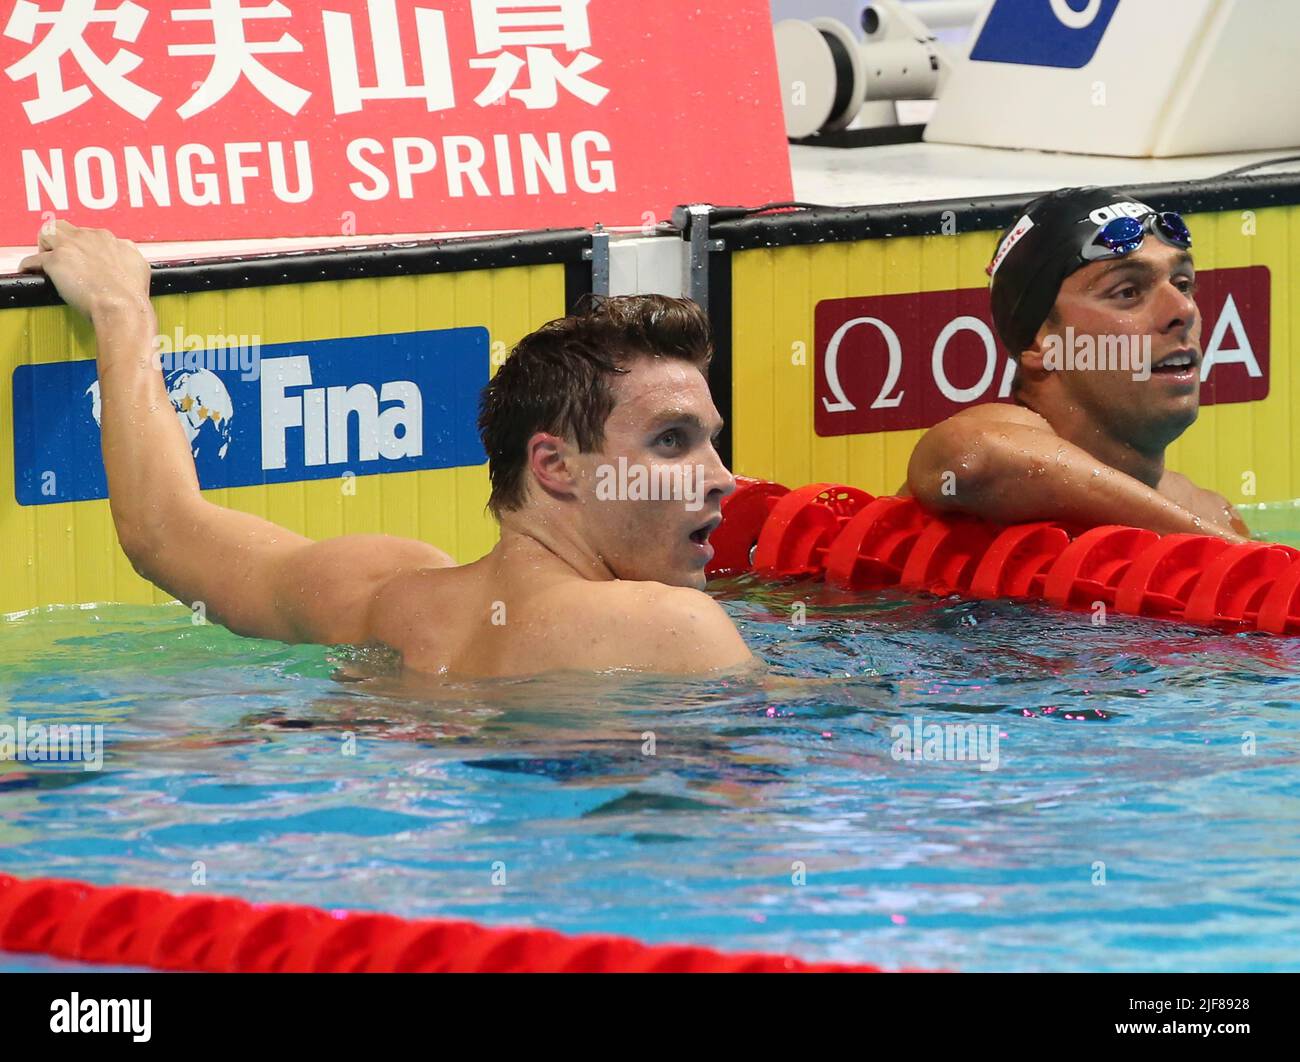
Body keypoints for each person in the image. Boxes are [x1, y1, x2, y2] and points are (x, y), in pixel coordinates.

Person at [21, 222, 753, 678]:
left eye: (708, 444)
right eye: (671, 442)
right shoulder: (675, 628)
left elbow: (161, 529)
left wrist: (121, 313)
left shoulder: (379, 597)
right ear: (554, 467)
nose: (722, 479)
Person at [906, 186, 1249, 541]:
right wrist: (1216, 547)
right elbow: (968, 459)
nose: (1184, 310)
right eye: (1127, 292)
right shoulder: (1000, 438)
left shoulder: (1214, 515)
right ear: (1042, 342)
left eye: (1183, 284)